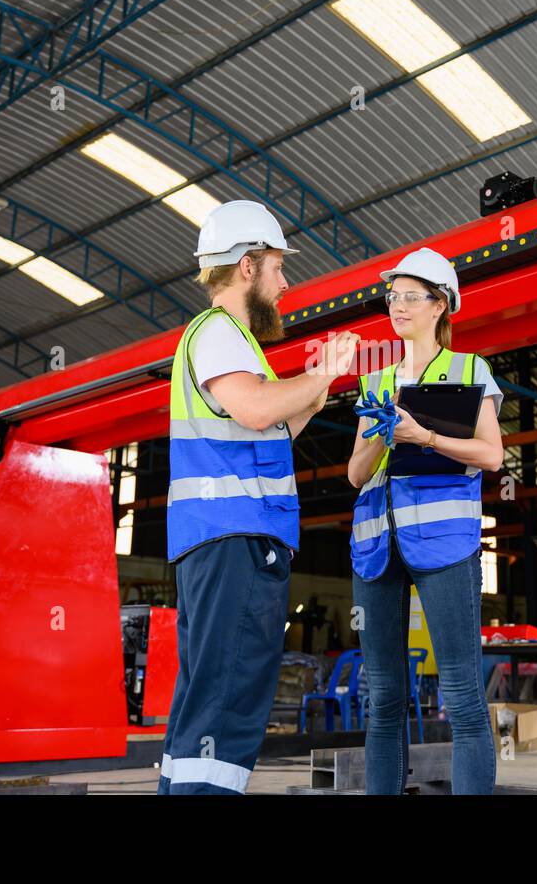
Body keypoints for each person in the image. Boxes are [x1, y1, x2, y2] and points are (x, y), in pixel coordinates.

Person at [160, 200, 359, 794]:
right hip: (236, 540)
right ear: (247, 266)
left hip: (218, 542)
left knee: (207, 693)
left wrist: (312, 396)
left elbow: (265, 429)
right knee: (231, 695)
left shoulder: (223, 342)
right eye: (277, 266)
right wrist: (324, 375)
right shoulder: (222, 333)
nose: (285, 281)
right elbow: (254, 406)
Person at [346, 247, 505, 794]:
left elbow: (492, 456)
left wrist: (426, 437)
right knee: (383, 697)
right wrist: (379, 436)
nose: (398, 306)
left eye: (411, 296)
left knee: (461, 692)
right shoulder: (375, 382)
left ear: (441, 305)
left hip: (444, 541)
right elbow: (354, 473)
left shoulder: (468, 370)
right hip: (375, 545)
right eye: (393, 297)